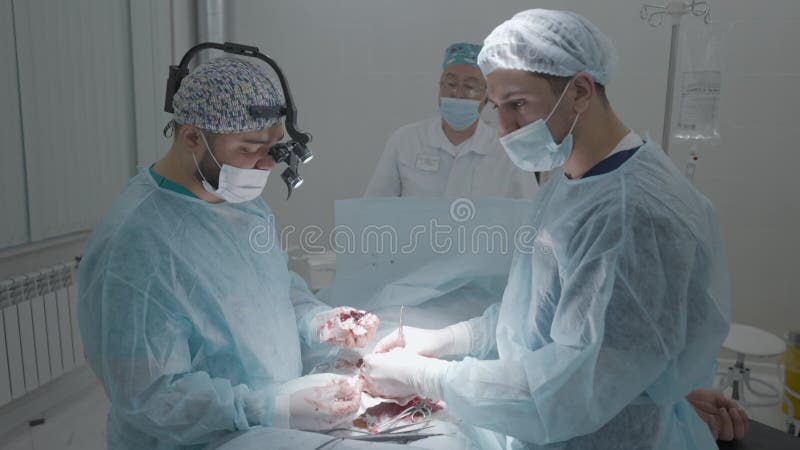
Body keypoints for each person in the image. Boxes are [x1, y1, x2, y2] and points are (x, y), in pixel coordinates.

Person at [362, 9, 745, 448]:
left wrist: (429, 377)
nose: (503, 129)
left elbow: (570, 390)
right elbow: (534, 317)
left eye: (518, 104)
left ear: (580, 90)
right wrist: (451, 339)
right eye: (497, 107)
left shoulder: (634, 216)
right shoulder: (571, 182)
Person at [78, 57, 378, 449]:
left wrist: (318, 321)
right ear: (192, 136)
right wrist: (266, 408)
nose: (267, 165)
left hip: (265, 433)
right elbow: (149, 396)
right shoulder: (136, 242)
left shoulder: (243, 205)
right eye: (251, 149)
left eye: (273, 148)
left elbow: (273, 290)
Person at [364, 42, 539, 199]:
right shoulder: (405, 140)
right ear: (440, 87)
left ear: (487, 96)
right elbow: (374, 206)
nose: (458, 94)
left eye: (470, 86)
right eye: (451, 84)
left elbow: (531, 213)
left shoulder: (508, 152)